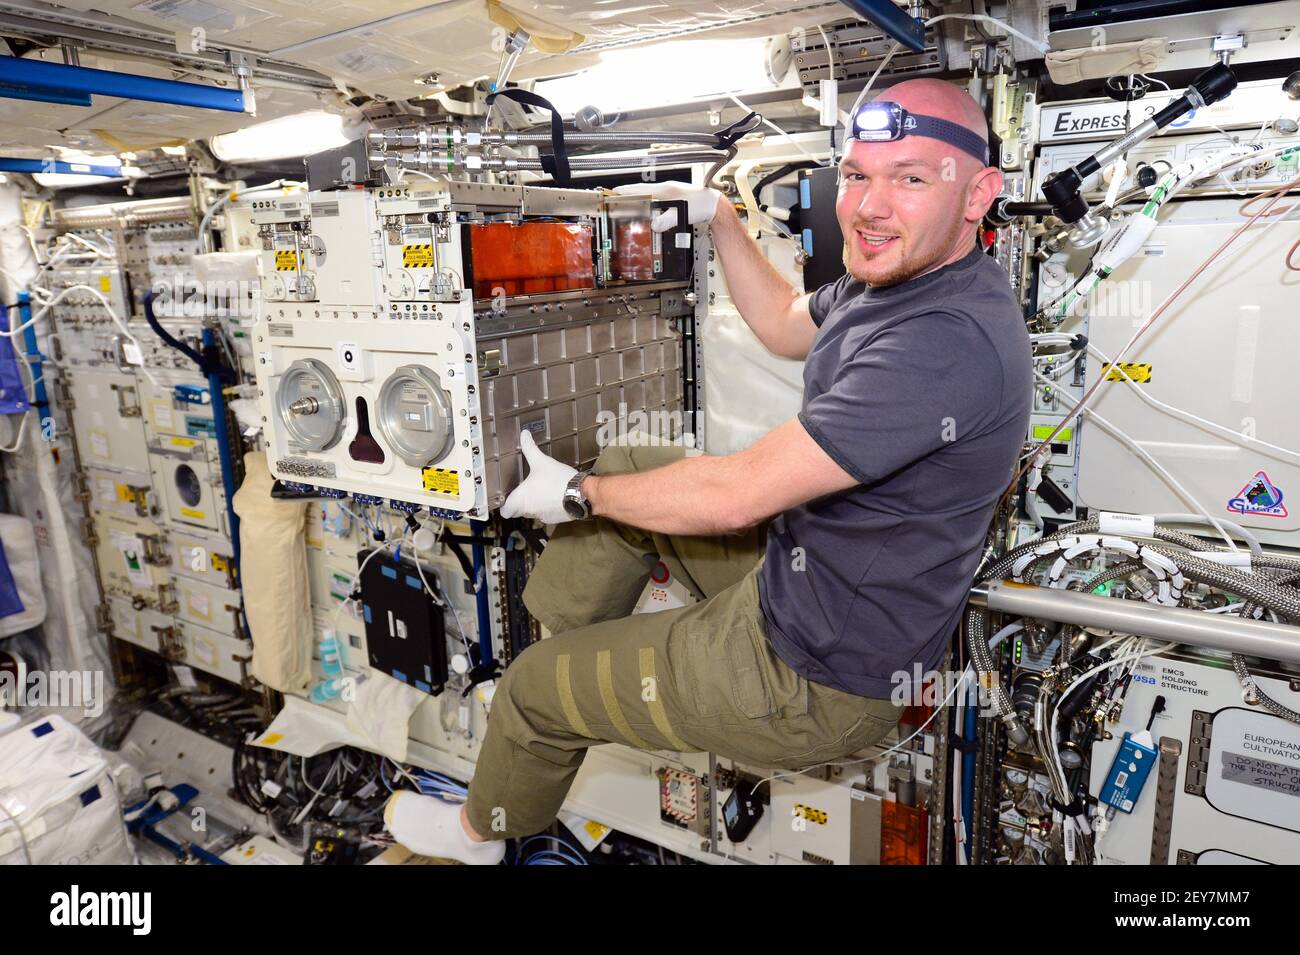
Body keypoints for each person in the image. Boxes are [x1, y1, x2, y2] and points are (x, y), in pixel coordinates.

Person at [383, 78, 1032, 863]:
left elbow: (735, 497)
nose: (868, 206)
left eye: (912, 179)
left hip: (808, 676)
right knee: (631, 462)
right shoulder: (895, 278)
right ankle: (565, 658)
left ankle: (482, 825)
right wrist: (718, 216)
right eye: (858, 175)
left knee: (533, 687)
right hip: (805, 572)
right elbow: (784, 323)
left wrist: (578, 493)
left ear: (978, 194)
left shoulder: (946, 341)